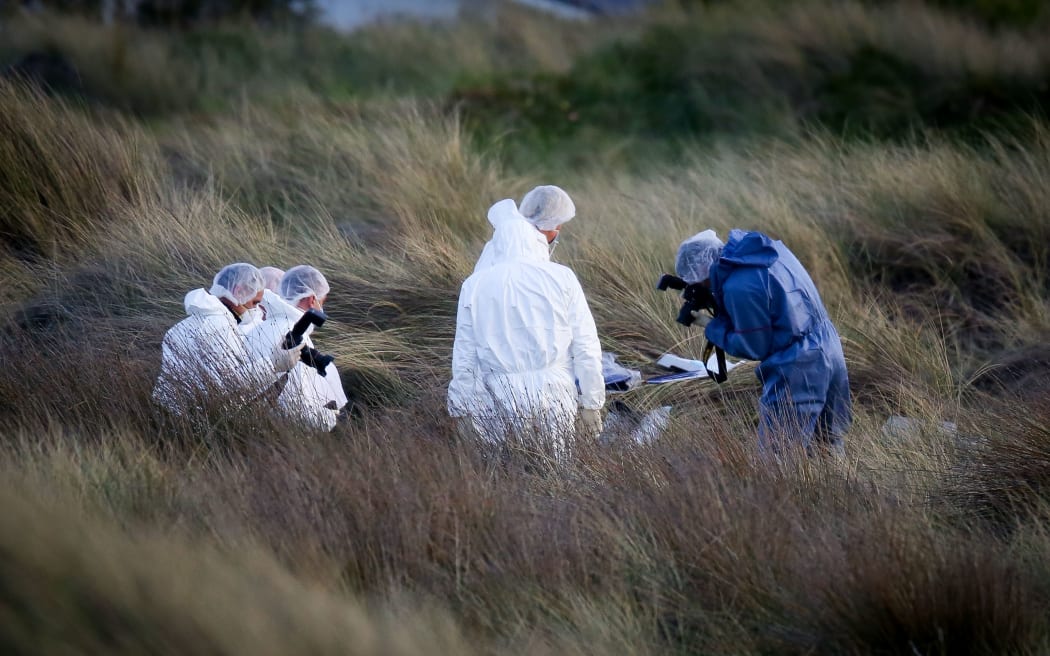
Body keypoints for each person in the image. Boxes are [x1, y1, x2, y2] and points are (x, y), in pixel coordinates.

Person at [448, 186, 605, 457]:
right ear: (543, 233)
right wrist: (591, 403)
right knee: (557, 480)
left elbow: (465, 356)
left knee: (504, 480)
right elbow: (586, 346)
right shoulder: (562, 277)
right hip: (556, 396)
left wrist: (461, 410)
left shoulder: (475, 284)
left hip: (496, 398)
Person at [675, 229, 851, 455]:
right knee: (826, 447)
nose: (702, 287)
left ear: (703, 271)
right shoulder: (765, 251)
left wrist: (712, 326)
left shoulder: (738, 286)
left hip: (797, 365)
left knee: (778, 459)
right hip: (829, 346)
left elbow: (753, 346)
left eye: (699, 282)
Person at [153, 263, 304, 416]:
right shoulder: (218, 326)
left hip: (167, 411)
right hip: (187, 420)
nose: (256, 309)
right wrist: (272, 364)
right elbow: (226, 383)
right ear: (239, 291)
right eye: (255, 302)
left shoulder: (189, 323)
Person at [247, 265, 348, 431]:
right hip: (275, 435)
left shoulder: (259, 329)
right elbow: (295, 407)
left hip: (250, 424)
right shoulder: (294, 336)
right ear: (311, 300)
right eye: (323, 300)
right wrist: (332, 420)